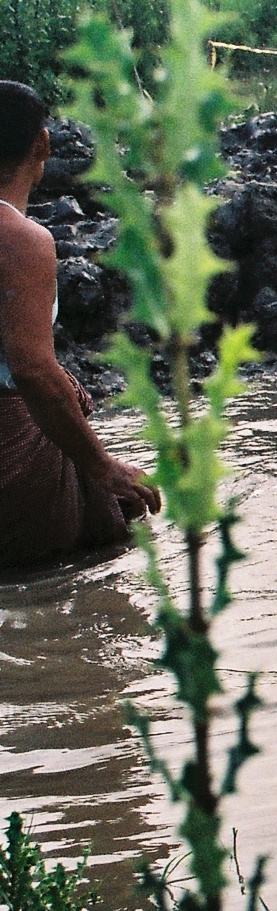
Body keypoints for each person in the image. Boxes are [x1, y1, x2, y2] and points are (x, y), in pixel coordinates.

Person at [0, 82, 160, 569]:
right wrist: (102, 467)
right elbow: (31, 372)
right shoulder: (21, 239)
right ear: (42, 143)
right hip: (8, 448)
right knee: (81, 573)